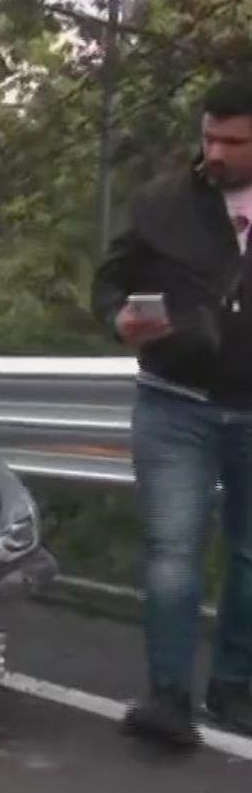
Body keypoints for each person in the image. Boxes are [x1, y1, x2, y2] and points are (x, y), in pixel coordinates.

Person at [92, 75, 252, 748]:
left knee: (250, 556)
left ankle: (234, 685)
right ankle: (168, 698)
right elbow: (110, 282)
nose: (215, 152)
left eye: (234, 141)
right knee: (173, 551)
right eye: (209, 136)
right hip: (173, 403)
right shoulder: (163, 201)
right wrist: (120, 318)